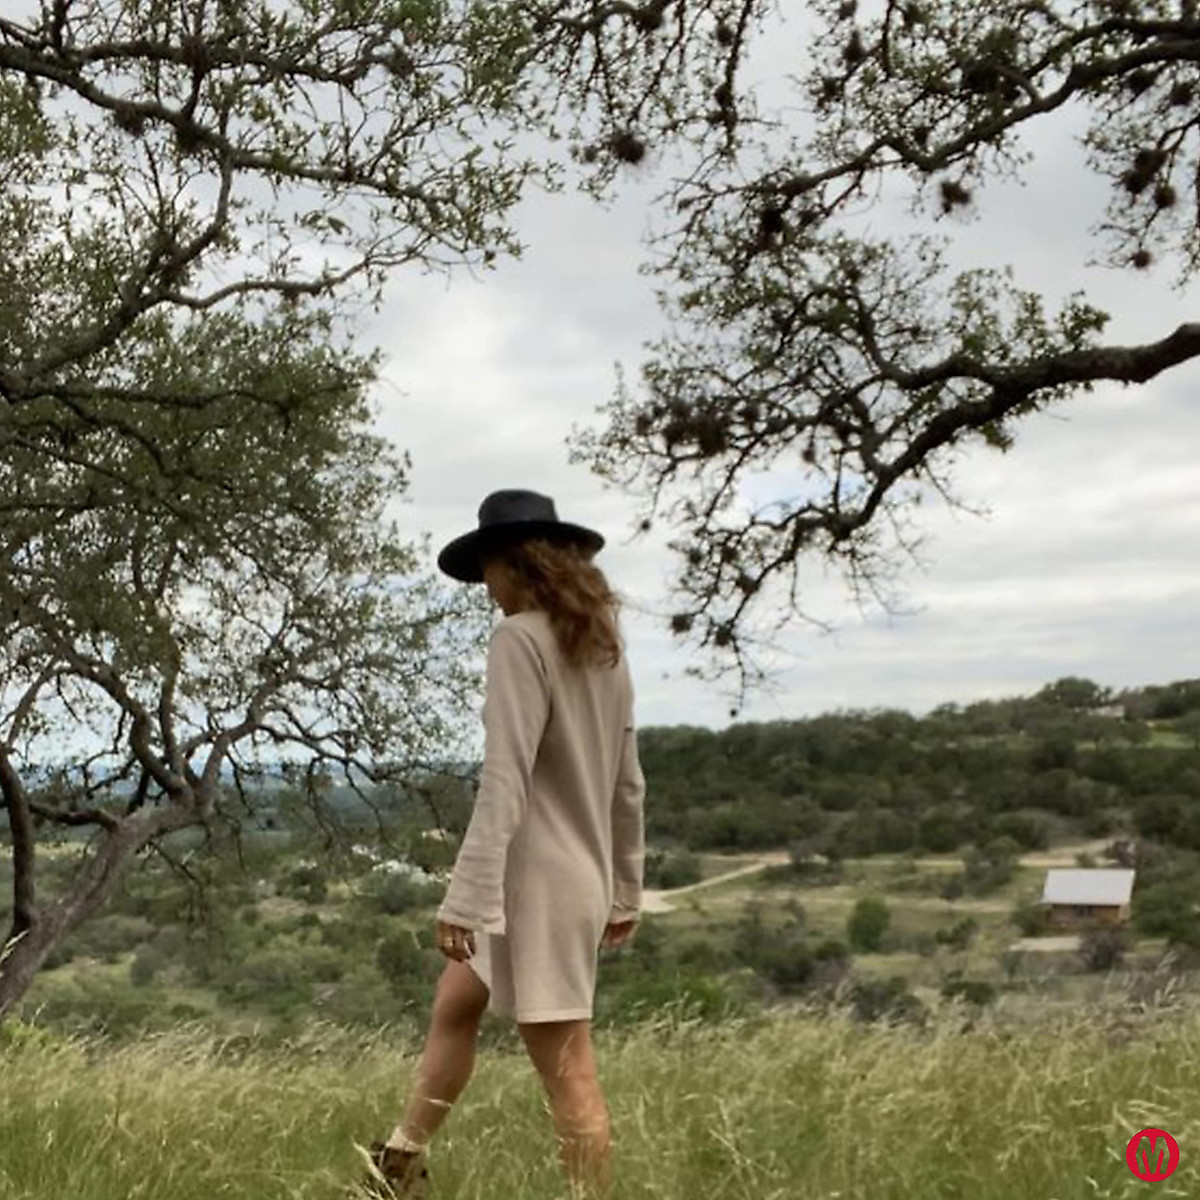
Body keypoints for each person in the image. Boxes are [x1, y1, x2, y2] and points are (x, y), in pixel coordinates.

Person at [361, 489, 646, 1200]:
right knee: (455, 1004)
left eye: (488, 568)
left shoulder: (519, 639)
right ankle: (396, 1168)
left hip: (535, 887)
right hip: (575, 878)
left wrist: (466, 897)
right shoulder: (601, 646)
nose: (486, 587)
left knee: (570, 1071)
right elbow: (628, 783)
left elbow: (505, 778)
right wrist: (625, 887)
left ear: (515, 564)